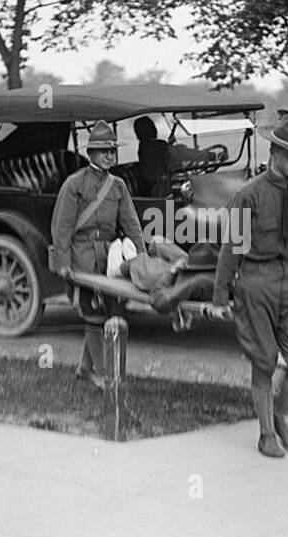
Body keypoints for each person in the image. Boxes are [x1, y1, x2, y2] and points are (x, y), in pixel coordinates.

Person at [209, 111, 288, 458]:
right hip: (256, 281)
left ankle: (279, 411)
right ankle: (266, 434)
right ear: (274, 151)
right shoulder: (249, 195)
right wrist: (220, 295)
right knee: (264, 361)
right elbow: (232, 249)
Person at [51, 120, 148, 389]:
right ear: (90, 153)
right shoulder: (75, 184)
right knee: (92, 312)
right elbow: (62, 227)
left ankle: (85, 368)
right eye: (103, 151)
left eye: (112, 151)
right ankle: (106, 377)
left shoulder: (118, 185)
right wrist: (64, 263)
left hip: (109, 260)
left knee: (104, 312)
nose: (108, 156)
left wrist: (141, 256)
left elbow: (131, 223)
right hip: (81, 258)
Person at [133, 116, 226, 195]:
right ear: (154, 130)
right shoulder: (159, 147)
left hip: (158, 188)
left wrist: (169, 145)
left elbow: (163, 158)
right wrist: (213, 156)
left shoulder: (144, 148)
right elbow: (183, 153)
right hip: (167, 190)